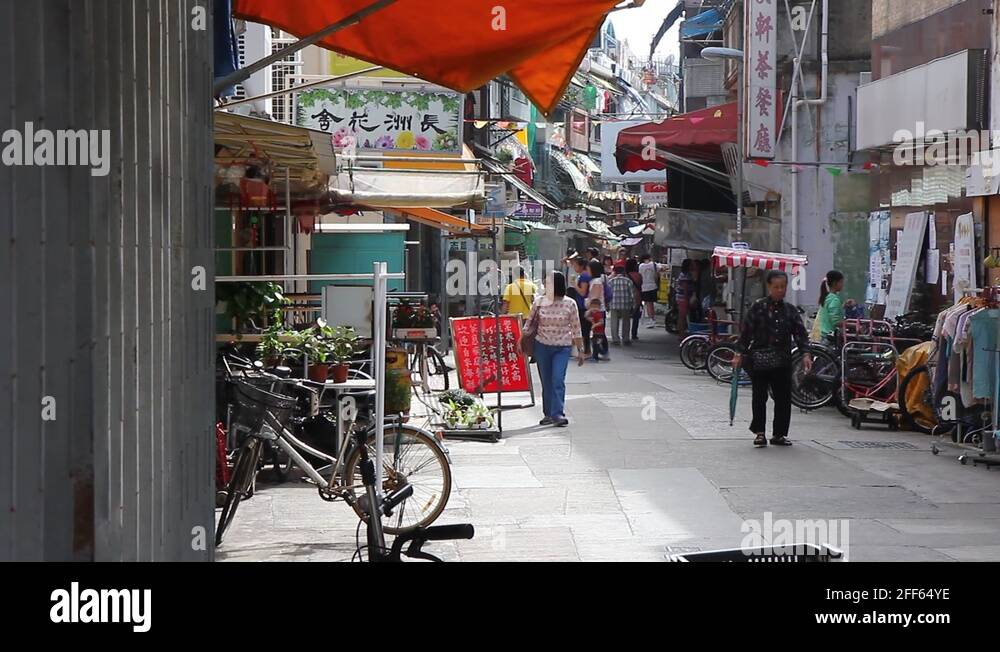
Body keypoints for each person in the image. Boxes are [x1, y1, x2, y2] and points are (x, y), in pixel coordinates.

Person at [733, 271, 812, 448]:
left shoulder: (790, 310)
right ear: (769, 287)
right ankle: (759, 432)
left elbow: (800, 334)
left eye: (783, 287)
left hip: (782, 360)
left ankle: (779, 434)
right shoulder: (758, 307)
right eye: (776, 287)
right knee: (759, 397)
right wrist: (738, 354)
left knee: (783, 398)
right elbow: (746, 333)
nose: (780, 290)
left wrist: (806, 354)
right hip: (759, 360)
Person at [520, 271, 585, 427]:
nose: (544, 285)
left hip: (562, 348)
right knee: (546, 381)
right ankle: (548, 413)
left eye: (547, 282)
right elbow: (529, 323)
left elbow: (576, 328)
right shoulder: (539, 302)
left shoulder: (570, 303)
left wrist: (580, 350)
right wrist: (521, 340)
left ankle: (558, 414)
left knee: (557, 379)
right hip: (542, 346)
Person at [608, 265, 639, 346]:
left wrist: (607, 304)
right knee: (626, 322)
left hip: (614, 304)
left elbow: (608, 294)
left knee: (614, 322)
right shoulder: (628, 281)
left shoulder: (611, 281)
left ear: (615, 272)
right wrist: (634, 305)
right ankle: (625, 339)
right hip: (625, 304)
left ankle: (615, 339)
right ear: (623, 272)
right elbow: (632, 294)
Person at [813, 270, 846, 341]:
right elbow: (836, 322)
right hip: (830, 337)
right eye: (841, 282)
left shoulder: (827, 297)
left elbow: (830, 312)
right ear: (835, 283)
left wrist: (843, 306)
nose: (842, 284)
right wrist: (852, 324)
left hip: (823, 335)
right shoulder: (834, 300)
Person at [638, 254, 668, 328]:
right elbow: (663, 268)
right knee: (651, 304)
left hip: (644, 287)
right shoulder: (654, 264)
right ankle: (652, 318)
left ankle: (651, 319)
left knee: (648, 304)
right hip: (653, 286)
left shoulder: (640, 266)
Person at [571, 256, 592, 355]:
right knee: (584, 328)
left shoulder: (584, 276)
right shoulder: (582, 275)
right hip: (582, 305)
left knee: (584, 329)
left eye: (575, 265)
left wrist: (575, 285)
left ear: (581, 266)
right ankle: (585, 350)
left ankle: (586, 351)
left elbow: (583, 292)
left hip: (583, 305)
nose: (574, 267)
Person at [626, 257, 644, 341]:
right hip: (637, 296)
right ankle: (634, 334)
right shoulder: (638, 275)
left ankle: (625, 334)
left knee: (626, 317)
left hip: (627, 296)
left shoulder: (625, 275)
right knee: (636, 316)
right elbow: (640, 285)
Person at [676, 259, 693, 337]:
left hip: (681, 297)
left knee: (682, 316)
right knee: (682, 316)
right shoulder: (685, 275)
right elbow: (685, 287)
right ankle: (682, 334)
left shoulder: (684, 274)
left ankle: (681, 333)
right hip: (683, 297)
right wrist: (686, 298)